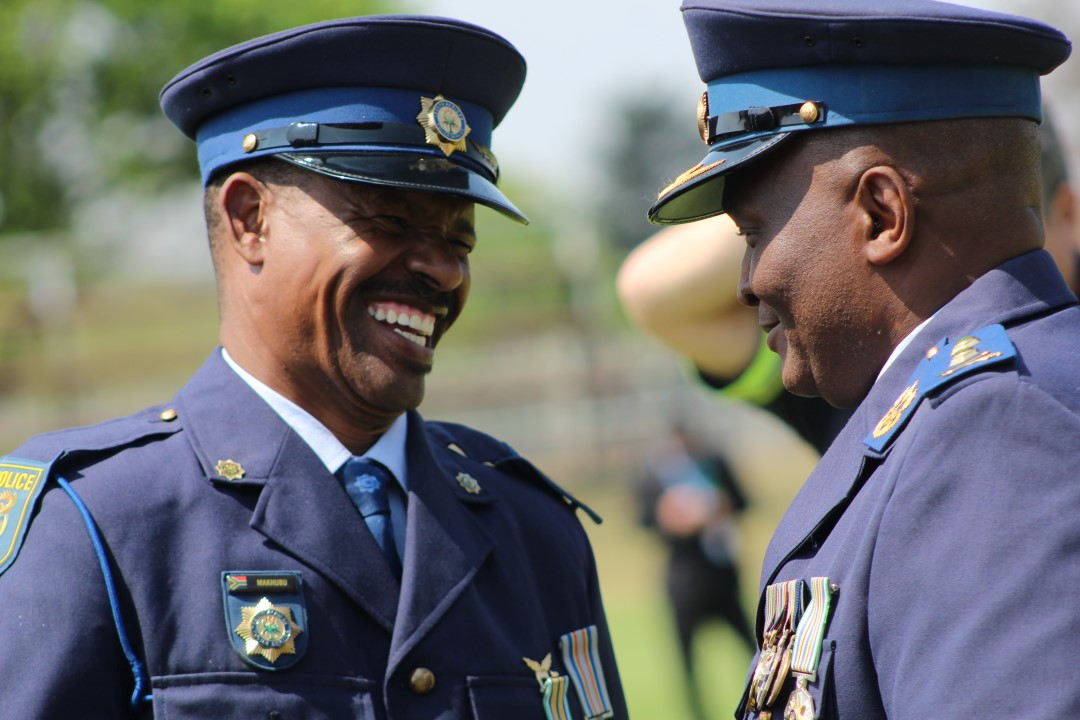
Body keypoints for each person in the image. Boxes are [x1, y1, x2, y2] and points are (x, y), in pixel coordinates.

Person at [0, 16, 626, 720]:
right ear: (249, 219)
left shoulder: (534, 532)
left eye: (460, 239)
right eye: (390, 219)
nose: (443, 269)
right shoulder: (96, 527)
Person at [648, 1, 1079, 718]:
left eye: (755, 232)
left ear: (881, 213)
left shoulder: (999, 431)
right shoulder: (955, 411)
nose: (746, 280)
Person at [617, 104, 1079, 455]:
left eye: (994, 219)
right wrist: (817, 183)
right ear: (887, 212)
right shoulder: (856, 347)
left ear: (1068, 215)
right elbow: (653, 288)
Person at [636, 419, 755, 720]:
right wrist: (671, 519)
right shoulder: (654, 474)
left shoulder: (712, 463)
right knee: (686, 665)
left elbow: (742, 502)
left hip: (723, 577)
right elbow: (644, 519)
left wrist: (718, 507)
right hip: (684, 581)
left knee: (754, 651)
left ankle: (763, 705)